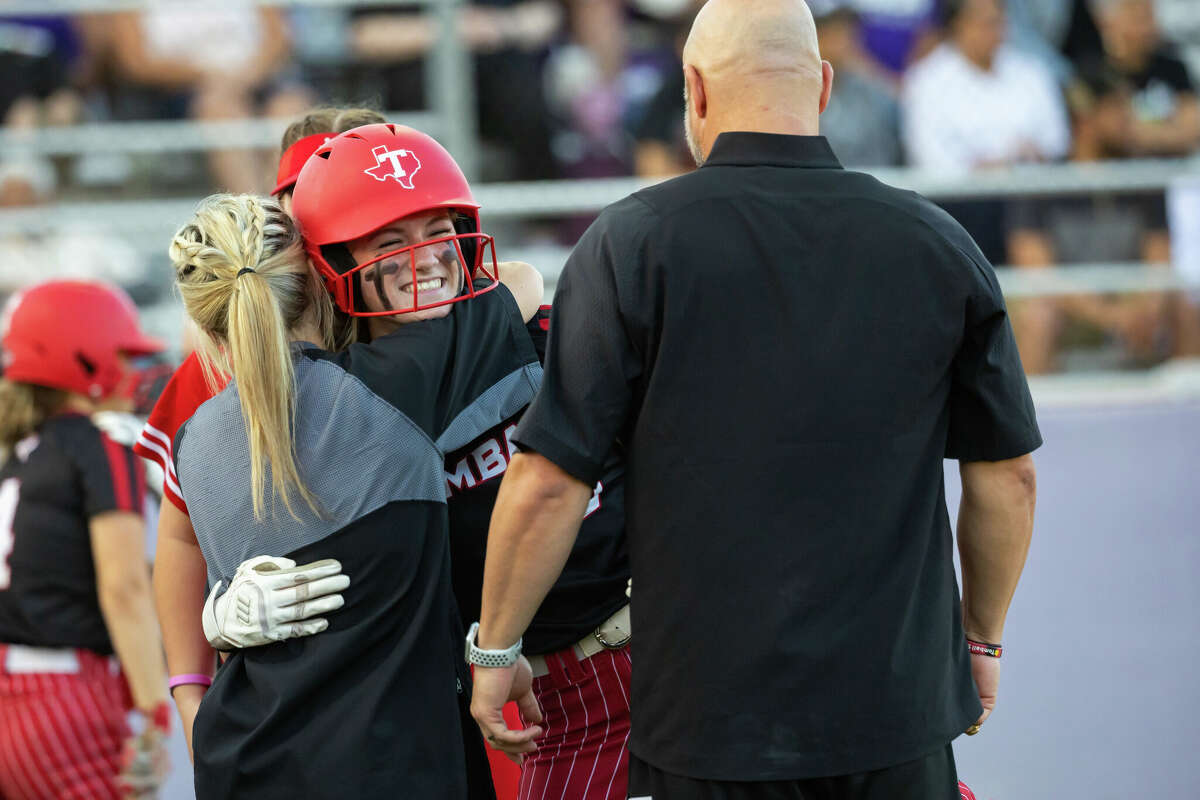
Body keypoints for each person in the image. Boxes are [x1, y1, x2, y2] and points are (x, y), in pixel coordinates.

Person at [469, 2, 1039, 800]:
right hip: (898, 715)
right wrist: (983, 643)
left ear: (694, 93)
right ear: (825, 88)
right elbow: (1006, 476)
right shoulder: (937, 243)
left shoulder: (631, 246)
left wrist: (496, 652)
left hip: (709, 732)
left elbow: (550, 482)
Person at [179, 122, 634, 799]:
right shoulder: (377, 386)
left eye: (438, 230)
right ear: (322, 267)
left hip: (255, 752)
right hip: (410, 741)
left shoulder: (206, 426)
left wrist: (216, 621)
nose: (425, 257)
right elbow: (518, 282)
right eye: (389, 241)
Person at [0, 280, 170, 800]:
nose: (134, 370)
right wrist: (154, 709)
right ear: (86, 354)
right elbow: (124, 589)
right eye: (123, 353)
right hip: (63, 694)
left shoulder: (20, 452)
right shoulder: (99, 444)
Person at [1090, 0, 1200, 156]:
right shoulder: (1097, 71)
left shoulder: (1173, 68)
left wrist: (1142, 134)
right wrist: (1170, 131)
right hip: (1117, 175)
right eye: (1136, 17)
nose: (1146, 27)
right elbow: (1111, 132)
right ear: (1109, 21)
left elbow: (1192, 130)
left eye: (1149, 16)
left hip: (1170, 172)